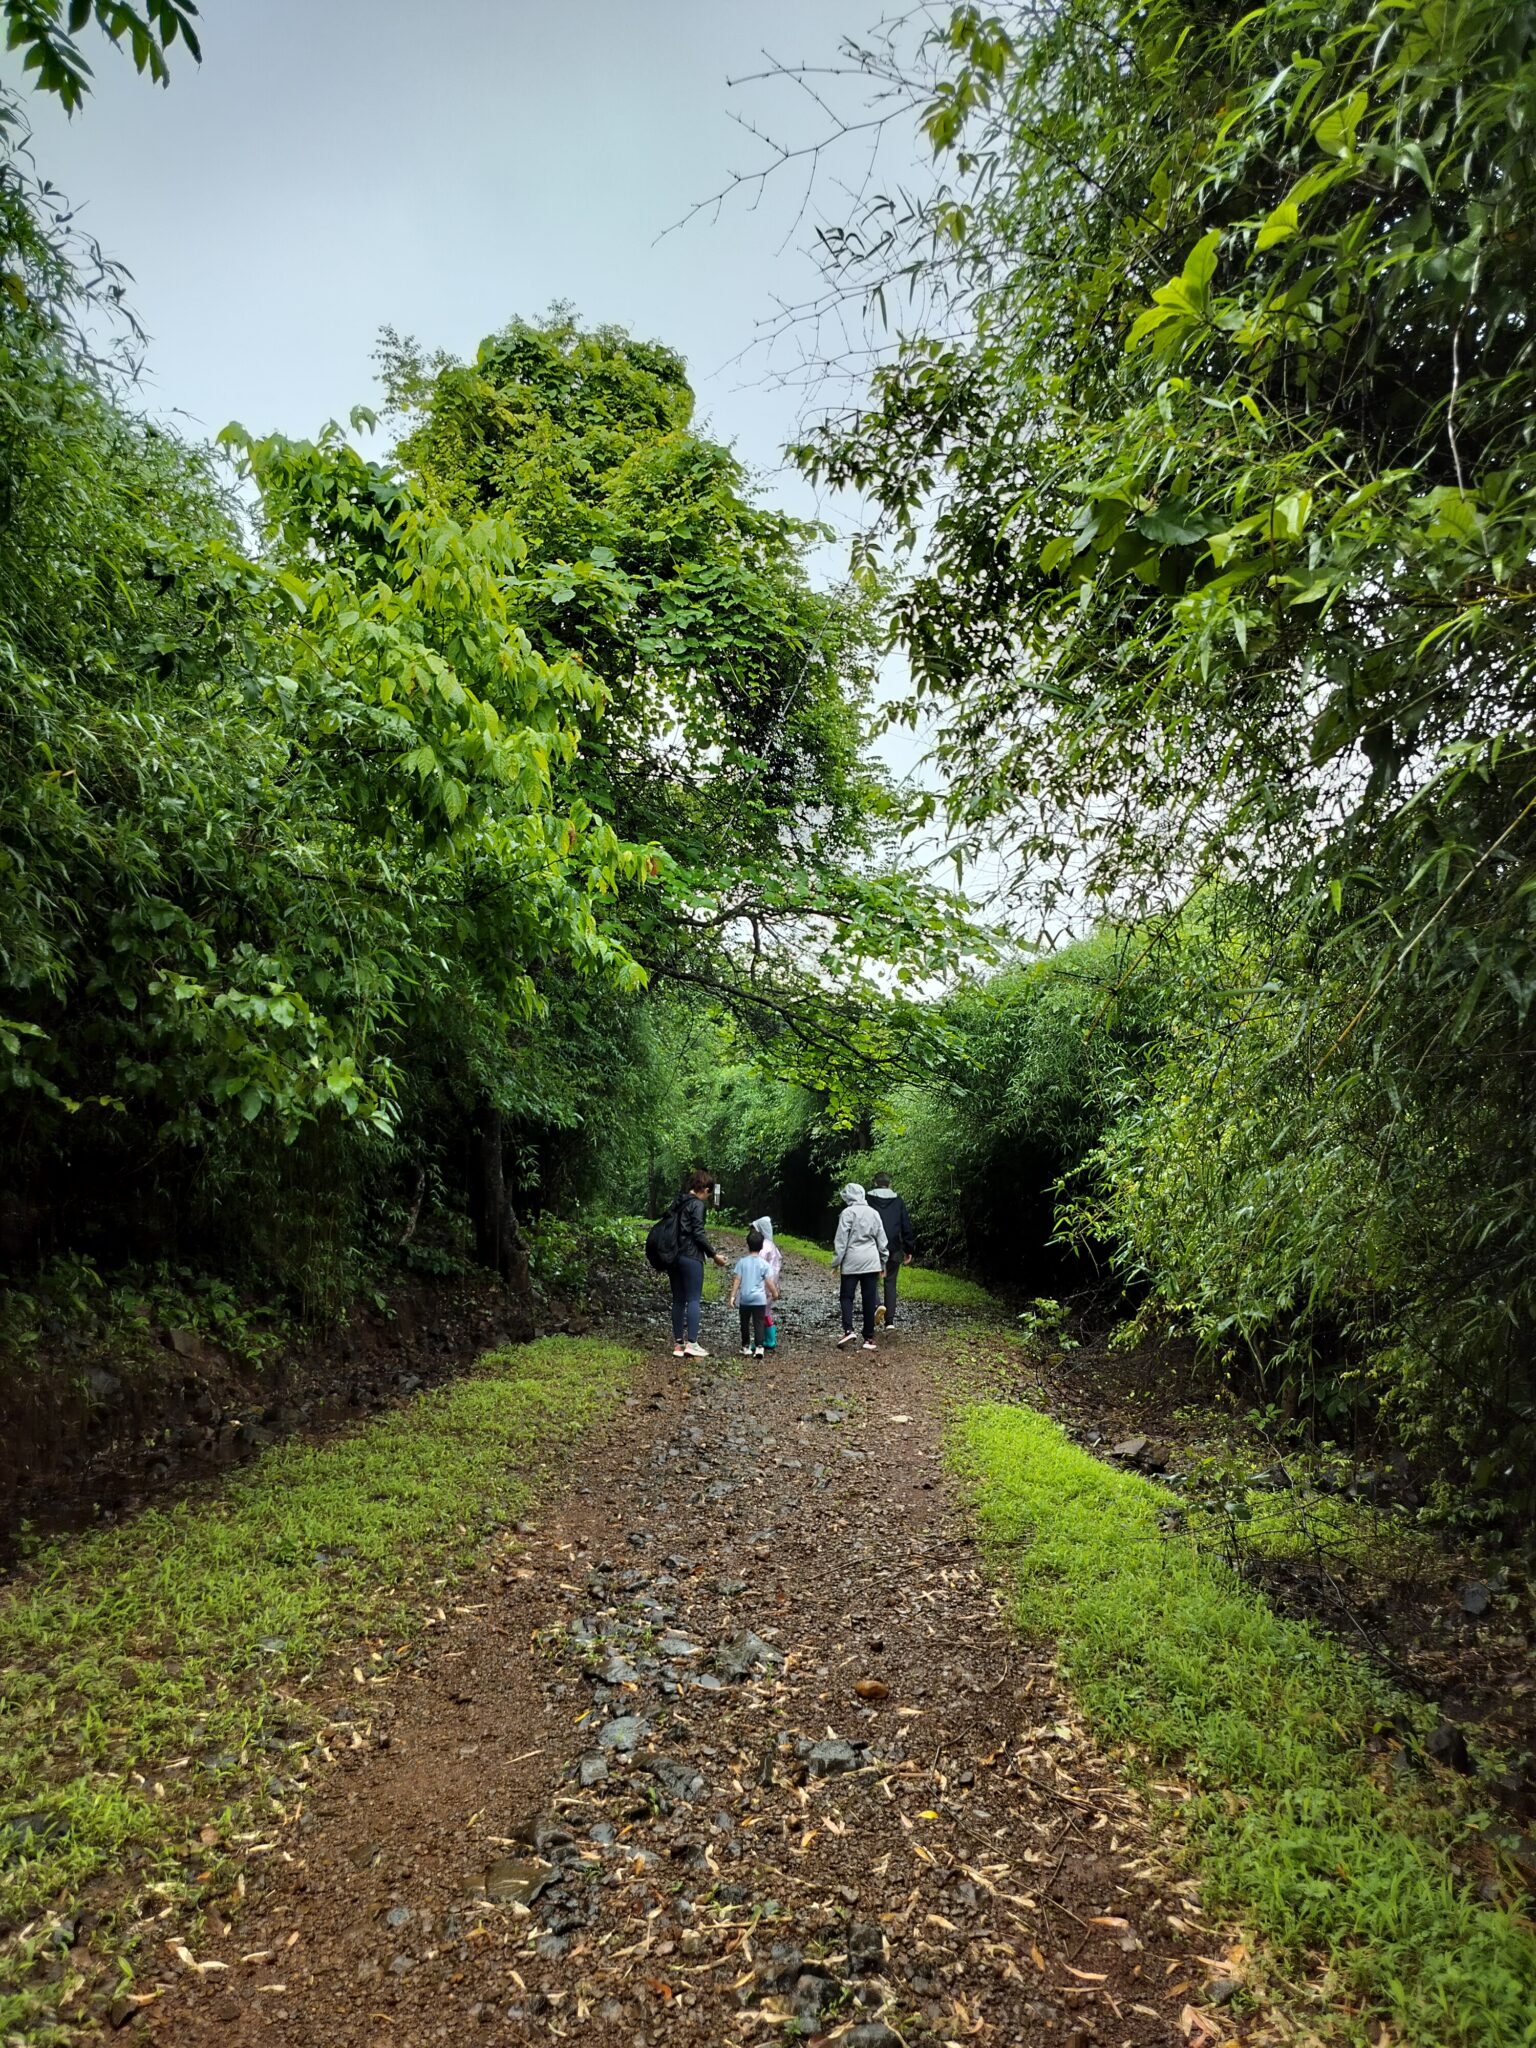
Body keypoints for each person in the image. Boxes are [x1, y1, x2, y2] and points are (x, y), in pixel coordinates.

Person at [669, 1169, 727, 1359]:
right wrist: (714, 1255)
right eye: (709, 1194)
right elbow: (698, 1234)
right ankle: (692, 1343)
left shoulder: (678, 1202)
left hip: (673, 1257)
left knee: (678, 1300)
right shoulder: (697, 1205)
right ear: (706, 1189)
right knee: (693, 1299)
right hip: (691, 1256)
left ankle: (678, 1344)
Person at [832, 1181, 888, 1350]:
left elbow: (841, 1241)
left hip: (851, 1261)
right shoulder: (874, 1213)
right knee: (869, 1298)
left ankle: (848, 1330)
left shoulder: (847, 1213)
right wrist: (883, 1261)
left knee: (847, 1296)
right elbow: (882, 1239)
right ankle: (869, 1338)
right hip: (871, 1261)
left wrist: (836, 1262)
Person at [867, 1173, 916, 1330]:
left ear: (875, 1183)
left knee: (871, 1279)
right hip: (893, 1247)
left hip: (872, 1246)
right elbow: (905, 1225)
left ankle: (876, 1305)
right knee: (891, 1282)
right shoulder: (898, 1201)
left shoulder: (867, 1200)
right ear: (889, 1185)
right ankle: (890, 1322)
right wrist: (909, 1248)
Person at [729, 1226, 779, 1358]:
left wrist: (733, 1296)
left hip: (745, 1298)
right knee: (758, 1323)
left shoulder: (742, 1262)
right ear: (762, 1246)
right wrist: (775, 1294)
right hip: (759, 1299)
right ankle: (759, 1347)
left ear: (748, 1245)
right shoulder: (764, 1264)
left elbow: (737, 1280)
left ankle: (745, 1347)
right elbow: (769, 1282)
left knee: (744, 1323)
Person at [751, 1216, 783, 1349]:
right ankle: (768, 1338)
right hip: (771, 1283)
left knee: (759, 1314)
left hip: (764, 1285)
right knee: (765, 1312)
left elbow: (759, 1265)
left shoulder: (763, 1247)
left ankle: (763, 1339)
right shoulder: (772, 1245)